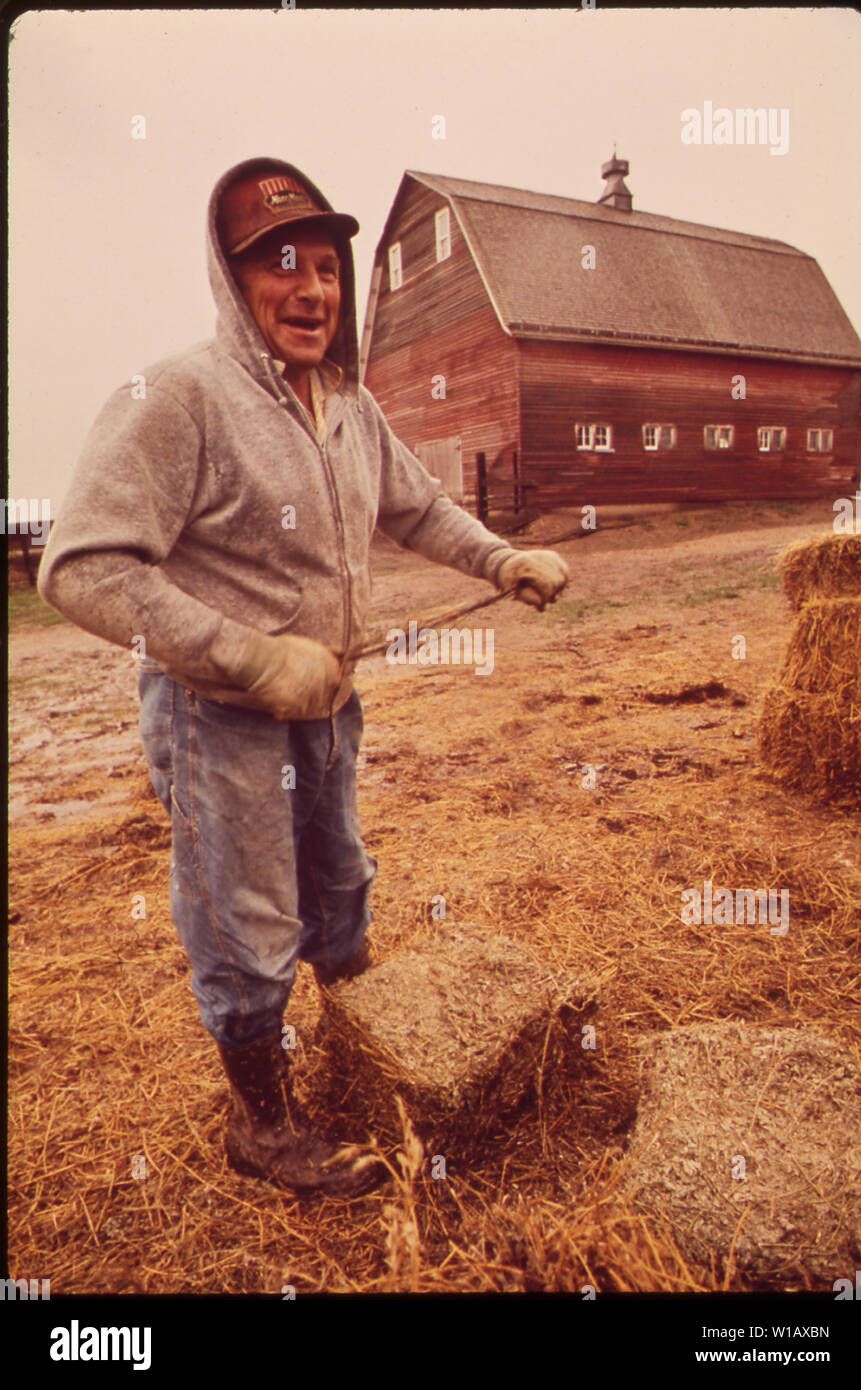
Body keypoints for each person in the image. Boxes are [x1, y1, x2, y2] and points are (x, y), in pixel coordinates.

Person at [37, 156, 570, 1200]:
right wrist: (247, 655)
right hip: (219, 715)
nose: (311, 288)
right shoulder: (176, 399)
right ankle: (262, 1120)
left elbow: (413, 507)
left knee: (337, 883)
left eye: (325, 265)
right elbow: (81, 566)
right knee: (245, 918)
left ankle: (363, 1048)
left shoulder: (347, 404)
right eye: (280, 265)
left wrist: (501, 557)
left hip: (327, 705)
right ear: (235, 285)